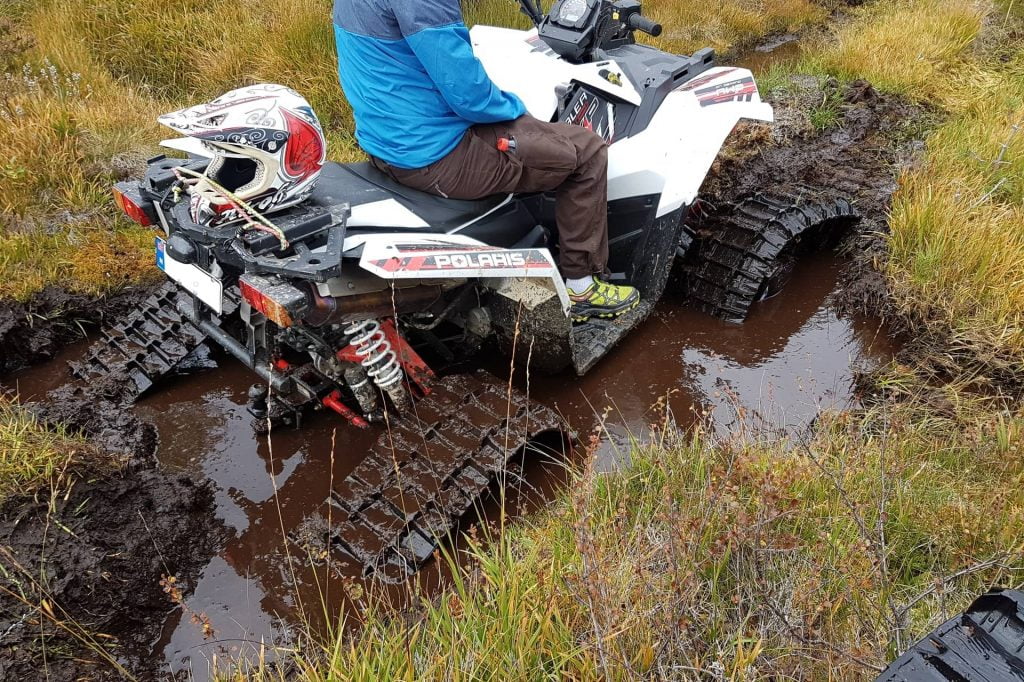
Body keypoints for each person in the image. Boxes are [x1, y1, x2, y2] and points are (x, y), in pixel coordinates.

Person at [332, 0, 639, 322]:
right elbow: (469, 96)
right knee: (587, 150)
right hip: (435, 155)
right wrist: (518, 109)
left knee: (534, 137)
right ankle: (582, 287)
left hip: (385, 142)